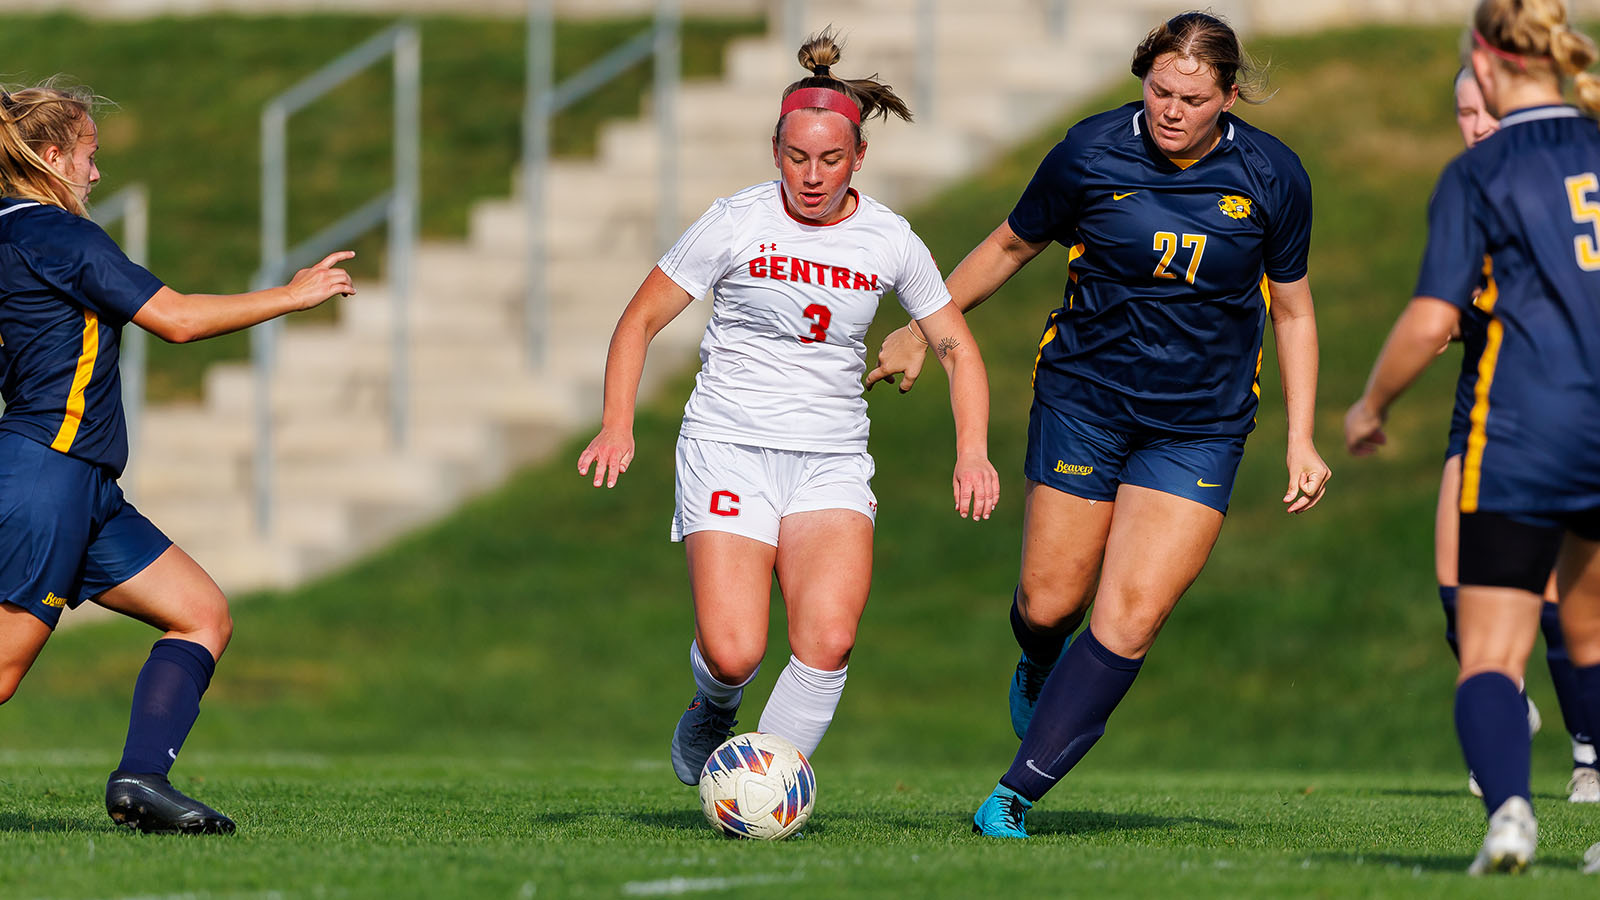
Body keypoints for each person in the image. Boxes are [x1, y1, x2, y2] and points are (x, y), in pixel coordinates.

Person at [867, 11, 1330, 838]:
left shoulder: (1273, 176)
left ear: (1229, 96)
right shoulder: (1088, 150)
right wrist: (921, 324)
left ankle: (1014, 794)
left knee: (1133, 614)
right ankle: (1038, 657)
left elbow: (1292, 313)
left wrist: (1301, 436)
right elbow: (1010, 247)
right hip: (1085, 402)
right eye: (1158, 91)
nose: (1171, 110)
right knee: (1050, 604)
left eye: (1192, 97)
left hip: (1200, 426)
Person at [577, 32, 999, 786]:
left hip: (829, 458)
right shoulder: (734, 221)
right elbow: (637, 321)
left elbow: (958, 349)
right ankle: (713, 707)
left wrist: (972, 451)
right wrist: (618, 422)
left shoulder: (890, 239)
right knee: (735, 651)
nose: (812, 176)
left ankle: (759, 787)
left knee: (829, 638)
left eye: (830, 159)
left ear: (859, 157)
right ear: (775, 149)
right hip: (729, 447)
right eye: (796, 157)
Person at [0, 80, 354, 833]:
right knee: (4, 668)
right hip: (50, 473)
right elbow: (180, 320)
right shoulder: (62, 236)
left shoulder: (7, 232)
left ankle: (141, 780)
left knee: (200, 614)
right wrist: (292, 296)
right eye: (89, 156)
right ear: (53, 154)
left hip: (79, 480)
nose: (96, 175)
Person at [1344, 0, 1600, 874]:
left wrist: (1370, 404)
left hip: (1524, 434)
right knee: (1595, 638)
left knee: (1491, 650)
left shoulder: (1480, 172)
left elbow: (1428, 320)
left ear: (1487, 63)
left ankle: (1511, 820)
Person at [1436, 67, 1596, 803]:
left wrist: (1374, 397)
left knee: (1570, 608)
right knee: (1458, 591)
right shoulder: (1475, 187)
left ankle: (1586, 751)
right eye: (1465, 112)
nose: (1476, 124)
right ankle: (1504, 727)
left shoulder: (1555, 183)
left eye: (1486, 110)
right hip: (1484, 415)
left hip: (1559, 419)